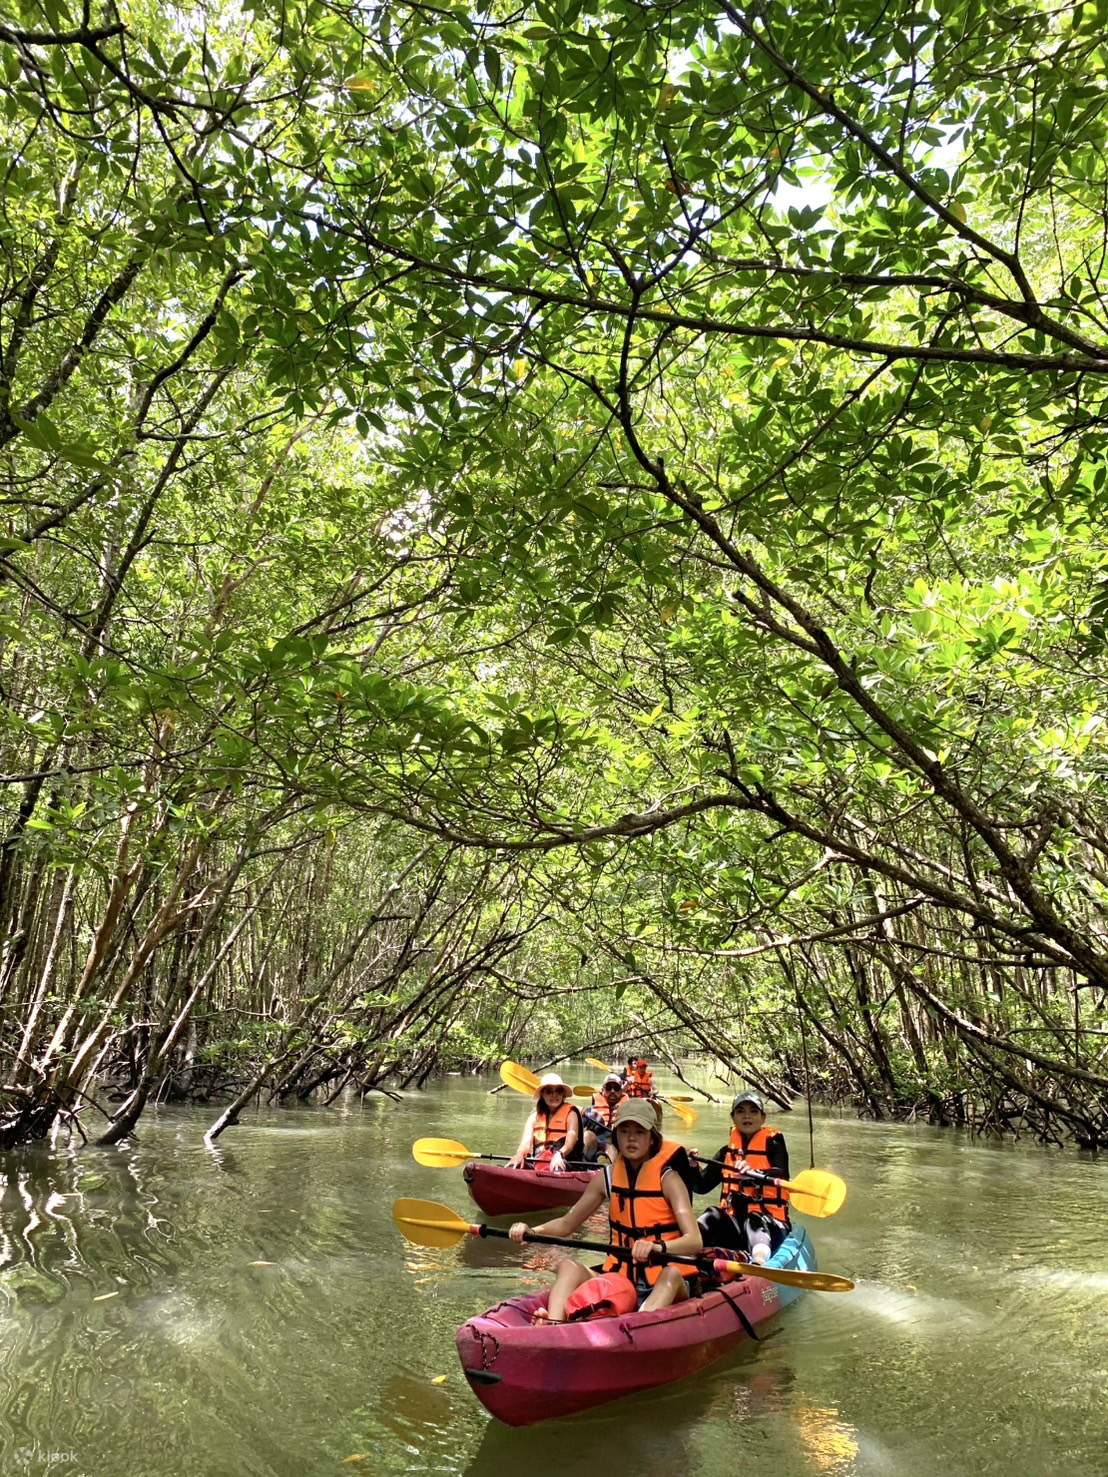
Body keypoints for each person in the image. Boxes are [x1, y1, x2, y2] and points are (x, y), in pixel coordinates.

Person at [508, 1098, 702, 1322]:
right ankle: (554, 1324)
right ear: (616, 1137)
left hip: (666, 1279)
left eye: (639, 1132)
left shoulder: (669, 1179)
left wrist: (657, 1246)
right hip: (622, 1276)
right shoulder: (606, 1178)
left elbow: (694, 1241)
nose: (631, 1138)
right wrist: (531, 1231)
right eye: (624, 1131)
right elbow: (566, 1224)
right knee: (569, 1266)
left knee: (671, 1275)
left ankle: (637, 1326)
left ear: (652, 1139)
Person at [688, 1090, 790, 1260]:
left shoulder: (774, 1144)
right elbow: (701, 1186)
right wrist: (692, 1167)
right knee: (712, 1214)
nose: (747, 1116)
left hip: (770, 1224)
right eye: (740, 1111)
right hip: (734, 1226)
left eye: (753, 1111)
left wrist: (753, 1174)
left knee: (754, 1220)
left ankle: (758, 1261)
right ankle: (686, 1250)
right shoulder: (726, 1153)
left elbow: (782, 1174)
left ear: (763, 1117)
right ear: (733, 1118)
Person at [506, 1073, 582, 1172]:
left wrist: (560, 1154)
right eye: (549, 1091)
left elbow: (571, 1141)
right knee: (514, 1166)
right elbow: (525, 1143)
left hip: (563, 1160)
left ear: (563, 1094)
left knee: (556, 1167)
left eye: (558, 1091)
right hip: (537, 1161)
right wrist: (519, 1154)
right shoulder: (534, 1117)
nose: (554, 1095)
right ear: (542, 1094)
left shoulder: (571, 1114)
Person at [582, 1073, 626, 1160]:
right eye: (609, 1088)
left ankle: (610, 1168)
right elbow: (575, 1129)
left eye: (616, 1088)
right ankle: (582, 1164)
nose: (612, 1091)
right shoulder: (591, 1112)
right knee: (588, 1135)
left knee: (611, 1147)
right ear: (603, 1091)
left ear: (621, 1092)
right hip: (594, 1148)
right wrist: (576, 1113)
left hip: (614, 1149)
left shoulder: (628, 1113)